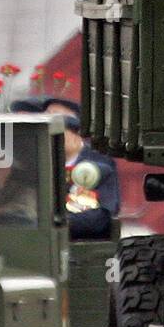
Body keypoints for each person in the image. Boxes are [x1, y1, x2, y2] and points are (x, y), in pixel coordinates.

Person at [44, 98, 120, 240]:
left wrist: (57, 222)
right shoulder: (43, 161)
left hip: (84, 242)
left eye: (59, 134)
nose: (50, 139)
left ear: (75, 135)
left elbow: (101, 217)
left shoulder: (99, 164)